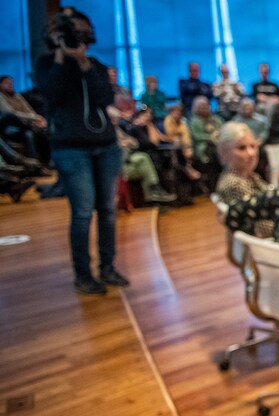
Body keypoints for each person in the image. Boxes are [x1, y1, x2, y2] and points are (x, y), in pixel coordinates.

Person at [35, 7, 127, 295]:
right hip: (71, 149)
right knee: (82, 214)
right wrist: (63, 59)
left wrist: (84, 64)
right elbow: (51, 96)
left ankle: (108, 267)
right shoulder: (47, 64)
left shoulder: (96, 66)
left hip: (106, 145)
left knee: (108, 211)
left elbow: (103, 97)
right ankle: (83, 274)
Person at [114, 106, 176, 204]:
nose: (146, 117)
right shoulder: (133, 127)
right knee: (146, 159)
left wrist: (149, 125)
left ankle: (154, 196)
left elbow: (138, 142)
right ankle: (154, 193)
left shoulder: (122, 129)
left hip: (137, 157)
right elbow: (148, 142)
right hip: (125, 162)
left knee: (150, 161)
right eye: (144, 114)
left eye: (148, 114)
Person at [0, 74, 51, 164]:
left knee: (44, 130)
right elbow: (10, 113)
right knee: (29, 133)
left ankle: (46, 161)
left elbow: (29, 110)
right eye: (7, 83)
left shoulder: (17, 96)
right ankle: (35, 163)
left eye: (11, 83)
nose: (10, 85)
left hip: (26, 124)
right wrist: (33, 118)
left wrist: (36, 118)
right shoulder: (1, 97)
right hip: (9, 126)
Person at [214, 121, 269, 205]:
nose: (251, 153)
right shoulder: (234, 185)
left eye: (253, 146)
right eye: (242, 148)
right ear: (224, 152)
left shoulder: (249, 176)